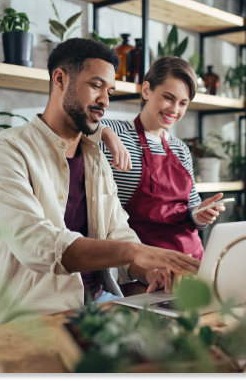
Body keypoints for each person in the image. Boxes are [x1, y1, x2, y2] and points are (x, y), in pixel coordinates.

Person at [0, 39, 200, 328]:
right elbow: (36, 244)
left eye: (109, 91)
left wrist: (149, 270)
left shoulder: (95, 157)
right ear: (60, 79)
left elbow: (117, 232)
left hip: (100, 306)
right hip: (33, 320)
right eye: (96, 86)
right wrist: (138, 251)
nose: (105, 101)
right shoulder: (6, 151)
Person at [92, 57, 226, 261]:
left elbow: (192, 209)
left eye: (183, 103)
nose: (174, 110)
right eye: (168, 98)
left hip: (192, 258)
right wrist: (105, 132)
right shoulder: (115, 132)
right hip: (143, 263)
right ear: (146, 90)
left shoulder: (180, 148)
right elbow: (72, 126)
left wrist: (201, 214)